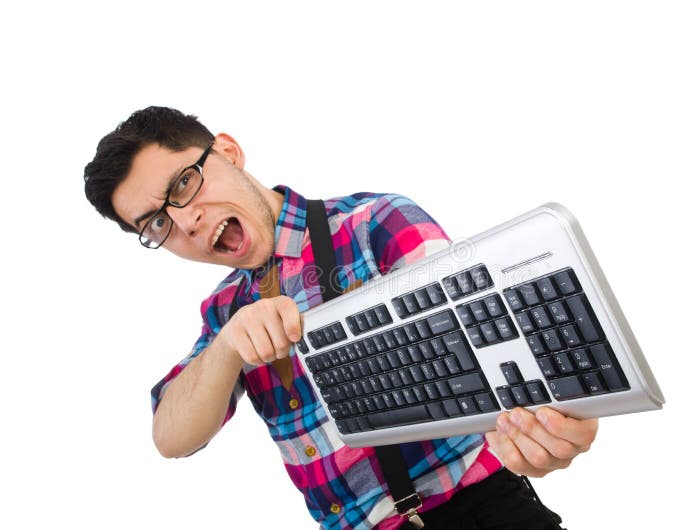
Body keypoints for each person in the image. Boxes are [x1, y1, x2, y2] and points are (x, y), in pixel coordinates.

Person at [84, 106, 599, 530]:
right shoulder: (223, 311)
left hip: (478, 513)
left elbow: (493, 337)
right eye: (157, 223)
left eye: (183, 185)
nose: (187, 222)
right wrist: (227, 345)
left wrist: (547, 423)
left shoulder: (373, 224)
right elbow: (171, 437)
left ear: (227, 152)